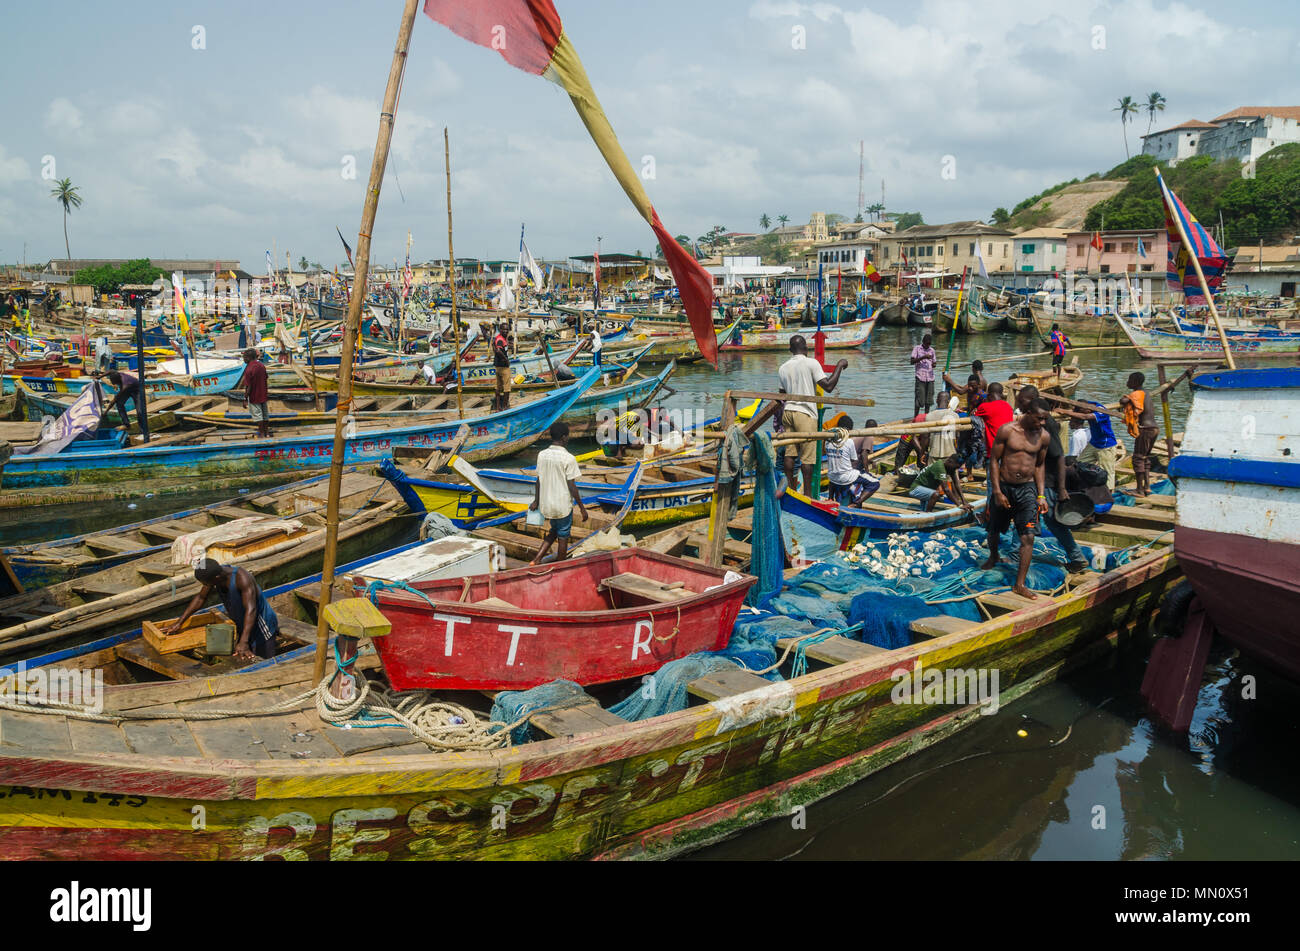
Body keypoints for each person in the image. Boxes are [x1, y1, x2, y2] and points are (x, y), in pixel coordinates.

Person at [1015, 387, 1089, 572]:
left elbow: (1059, 457)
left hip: (1047, 482)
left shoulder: (1045, 425)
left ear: (1032, 401)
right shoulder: (1032, 423)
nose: (1017, 404)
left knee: (1049, 521)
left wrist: (1062, 488)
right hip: (1034, 480)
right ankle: (1018, 551)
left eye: (1022, 401)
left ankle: (1076, 557)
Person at [983, 403, 1051, 599]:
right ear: (1028, 413)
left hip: (1027, 490)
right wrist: (996, 491)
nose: (1042, 422)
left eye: (1045, 419)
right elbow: (994, 461)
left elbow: (1039, 465)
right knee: (994, 528)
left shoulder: (1044, 436)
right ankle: (993, 555)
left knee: (1028, 536)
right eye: (1039, 418)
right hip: (1004, 486)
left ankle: (1019, 584)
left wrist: (1041, 495)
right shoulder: (1007, 430)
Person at [166, 559, 280, 661]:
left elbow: (251, 610)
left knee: (263, 661)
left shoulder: (242, 578)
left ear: (216, 578)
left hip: (261, 625)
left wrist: (244, 642)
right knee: (243, 655)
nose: (205, 585)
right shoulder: (215, 574)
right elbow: (201, 598)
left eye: (206, 583)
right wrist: (179, 622)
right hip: (241, 622)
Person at [777, 335, 848, 494]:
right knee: (808, 457)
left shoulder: (783, 367)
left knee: (790, 453)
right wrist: (840, 365)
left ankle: (791, 490)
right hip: (806, 412)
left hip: (788, 411)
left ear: (790, 350)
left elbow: (782, 394)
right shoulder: (811, 363)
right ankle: (808, 495)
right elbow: (828, 386)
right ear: (806, 348)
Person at [529, 421, 588, 564]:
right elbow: (572, 486)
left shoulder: (542, 455)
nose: (568, 439)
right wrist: (582, 507)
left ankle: (536, 560)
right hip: (562, 506)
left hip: (547, 504)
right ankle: (561, 567)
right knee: (563, 537)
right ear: (563, 437)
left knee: (553, 531)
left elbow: (539, 480)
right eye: (567, 437)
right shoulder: (569, 458)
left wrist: (536, 500)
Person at [825, 417, 881, 505]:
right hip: (848, 475)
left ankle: (830, 498)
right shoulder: (850, 441)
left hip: (832, 478)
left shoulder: (828, 441)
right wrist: (867, 472)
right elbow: (860, 456)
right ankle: (855, 504)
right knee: (875, 483)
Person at [1070, 398, 1123, 491]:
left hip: (1106, 445)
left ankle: (1109, 493)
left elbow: (1085, 417)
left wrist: (1063, 411)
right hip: (1094, 443)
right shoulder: (1088, 404)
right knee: (1079, 463)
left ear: (1086, 410)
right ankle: (1084, 486)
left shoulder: (1100, 412)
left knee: (1108, 471)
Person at [1121, 371, 1159, 496]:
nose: (1127, 382)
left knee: (1137, 458)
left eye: (1129, 380)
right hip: (1154, 428)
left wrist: (1124, 399)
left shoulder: (1137, 393)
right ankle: (1147, 487)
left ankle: (1139, 490)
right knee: (1145, 458)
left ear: (1136, 382)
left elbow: (1123, 400)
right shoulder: (1146, 392)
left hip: (1145, 429)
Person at [908, 453, 972, 515]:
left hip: (927, 490)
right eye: (955, 467)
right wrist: (959, 505)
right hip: (916, 489)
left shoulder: (951, 467)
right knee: (936, 494)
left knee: (934, 498)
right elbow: (946, 489)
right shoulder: (939, 467)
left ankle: (925, 513)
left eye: (957, 468)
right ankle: (928, 514)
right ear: (950, 461)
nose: (955, 469)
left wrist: (964, 501)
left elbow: (957, 484)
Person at [236, 348, 270, 438]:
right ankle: (267, 433)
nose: (243, 359)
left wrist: (245, 398)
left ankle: (262, 434)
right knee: (265, 414)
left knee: (258, 416)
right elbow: (266, 378)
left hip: (254, 396)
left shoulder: (249, 369)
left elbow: (248, 386)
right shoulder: (261, 366)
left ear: (248, 358)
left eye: (244, 357)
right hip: (263, 394)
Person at [925, 389, 960, 462]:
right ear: (948, 402)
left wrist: (923, 452)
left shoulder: (929, 416)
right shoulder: (955, 416)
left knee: (933, 472)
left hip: (934, 453)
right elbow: (958, 436)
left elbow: (926, 438)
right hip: (950, 453)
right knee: (950, 473)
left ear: (937, 401)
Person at [910, 333, 938, 415]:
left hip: (930, 378)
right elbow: (912, 361)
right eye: (926, 343)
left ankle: (926, 416)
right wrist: (923, 357)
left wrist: (934, 364)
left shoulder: (932, 350)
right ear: (923, 341)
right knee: (919, 399)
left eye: (929, 344)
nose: (927, 345)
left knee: (928, 400)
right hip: (920, 377)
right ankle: (916, 417)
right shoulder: (917, 349)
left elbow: (934, 363)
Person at [492, 324, 512, 412]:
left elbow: (495, 346)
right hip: (503, 367)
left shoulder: (499, 338)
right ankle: (504, 407)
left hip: (498, 366)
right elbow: (498, 350)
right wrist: (505, 360)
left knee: (498, 387)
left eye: (507, 330)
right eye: (504, 329)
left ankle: (497, 407)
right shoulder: (500, 339)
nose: (505, 331)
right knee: (507, 387)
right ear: (500, 329)